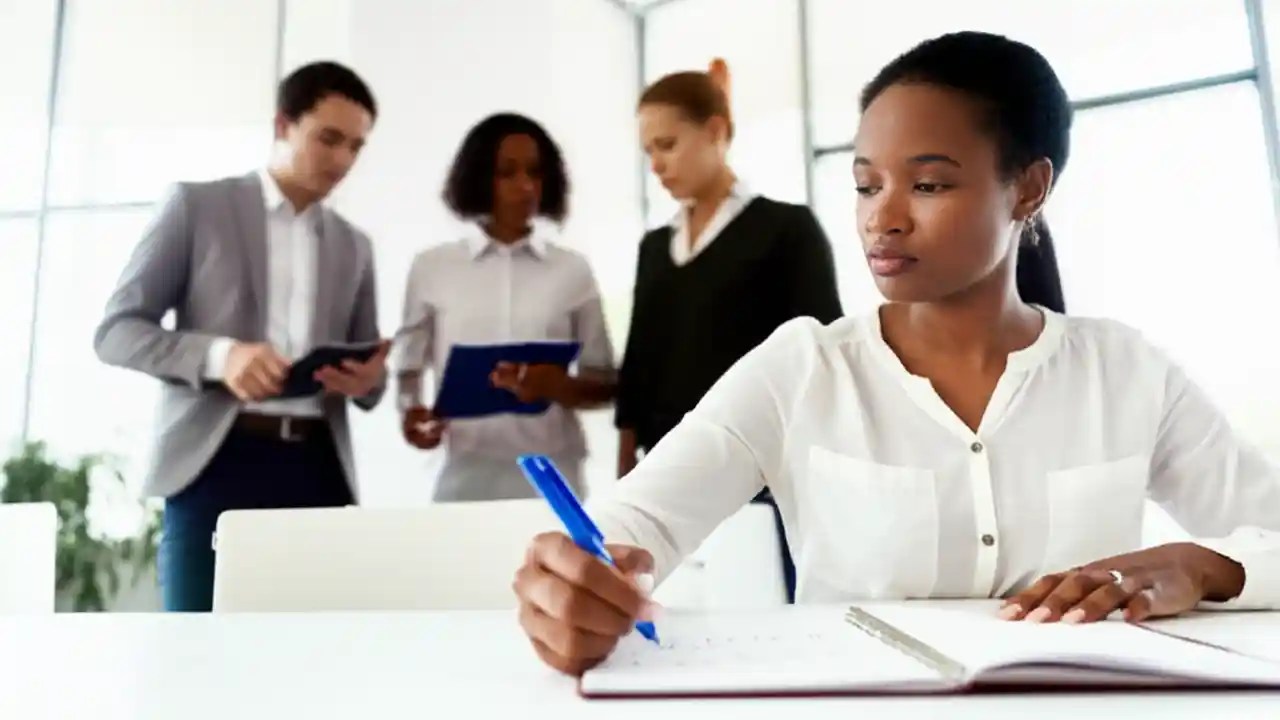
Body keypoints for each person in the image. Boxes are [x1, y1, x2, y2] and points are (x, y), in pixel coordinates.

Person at [512, 32, 1280, 675]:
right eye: (865, 184)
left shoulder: (1129, 373)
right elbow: (628, 525)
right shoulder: (801, 369)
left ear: (1029, 190)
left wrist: (1203, 566)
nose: (883, 219)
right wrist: (571, 587)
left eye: (930, 185)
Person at [94, 61, 387, 612]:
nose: (342, 160)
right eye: (328, 138)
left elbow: (370, 381)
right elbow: (116, 331)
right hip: (214, 463)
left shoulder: (355, 246)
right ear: (282, 125)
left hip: (317, 471)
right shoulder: (196, 206)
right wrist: (220, 356)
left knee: (309, 659)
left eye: (356, 146)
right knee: (197, 652)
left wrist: (369, 379)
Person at [615, 60, 844, 602]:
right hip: (669, 477)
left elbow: (821, 359)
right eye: (648, 151)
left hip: (761, 480)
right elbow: (639, 363)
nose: (656, 165)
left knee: (759, 615)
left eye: (666, 144)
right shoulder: (654, 246)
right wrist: (625, 481)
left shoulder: (787, 231)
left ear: (715, 131)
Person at [392, 113, 616, 502]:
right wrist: (413, 417)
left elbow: (607, 383)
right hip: (466, 472)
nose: (525, 186)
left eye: (535, 172)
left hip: (556, 473)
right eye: (506, 173)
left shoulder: (572, 270)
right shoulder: (433, 267)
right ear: (480, 179)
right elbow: (408, 370)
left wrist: (556, 385)